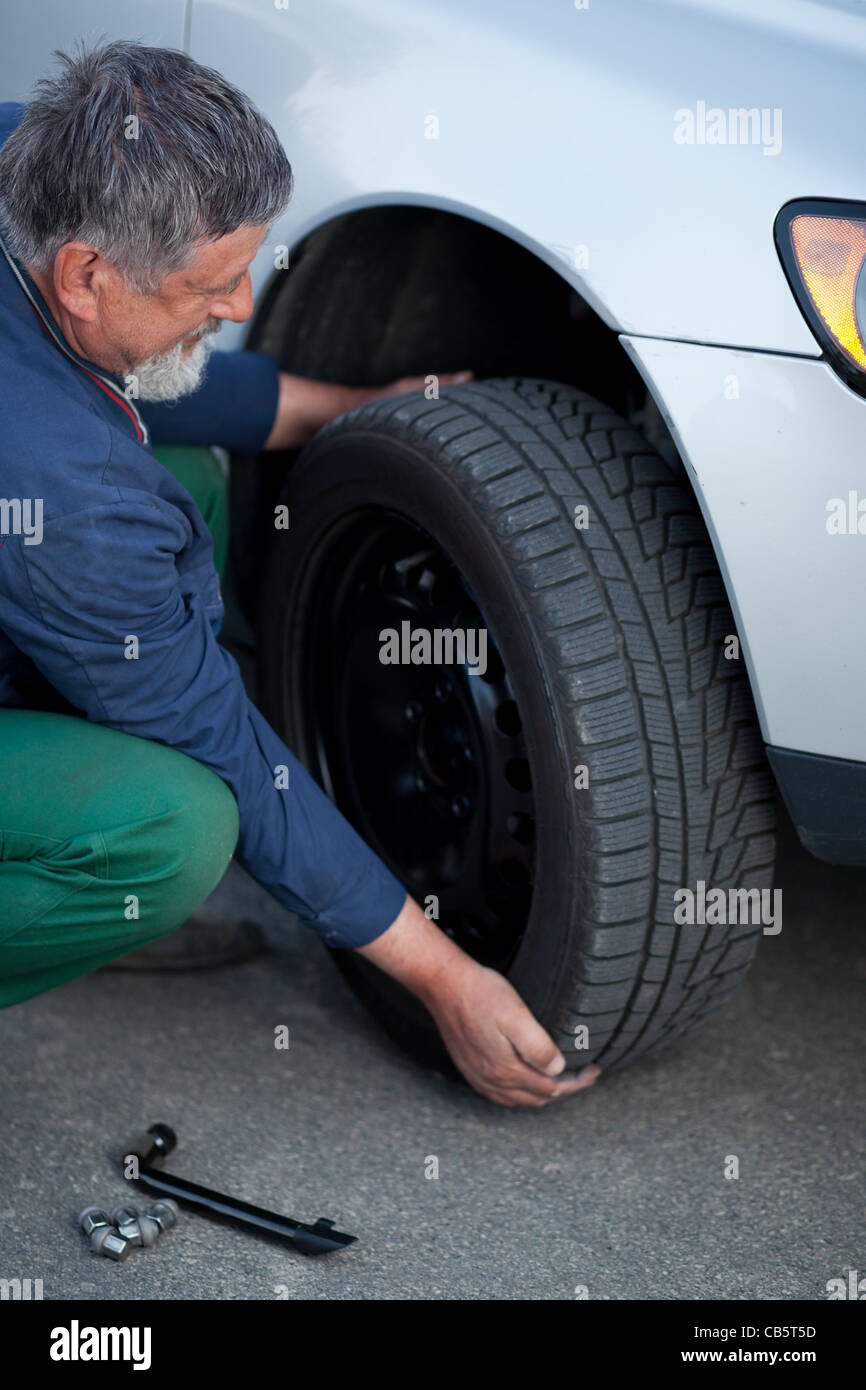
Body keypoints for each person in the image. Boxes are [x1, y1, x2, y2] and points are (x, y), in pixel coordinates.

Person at [0, 39, 600, 1109]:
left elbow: (126, 369)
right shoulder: (67, 500)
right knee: (171, 826)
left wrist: (352, 402)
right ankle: (66, 887)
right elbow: (223, 746)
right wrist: (444, 976)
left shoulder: (23, 160)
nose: (238, 304)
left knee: (180, 472)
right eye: (214, 282)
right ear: (85, 272)